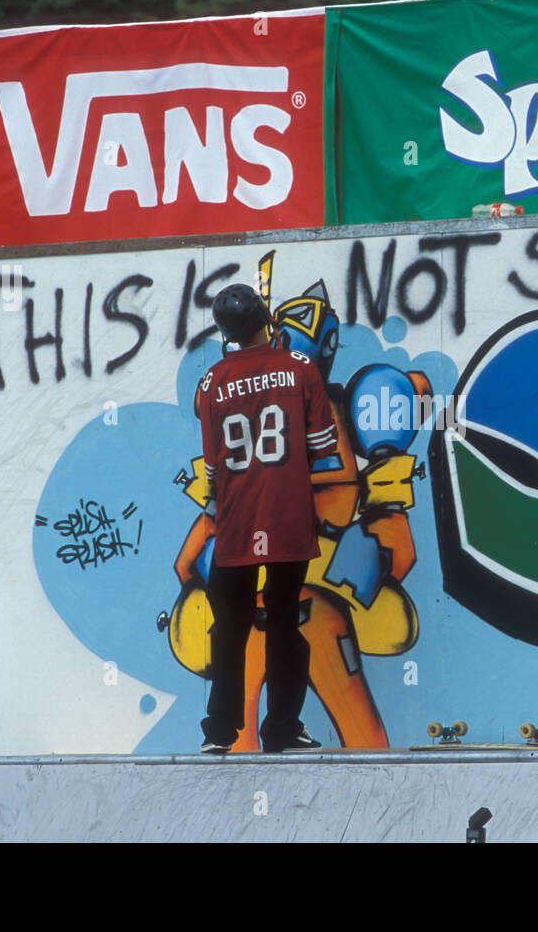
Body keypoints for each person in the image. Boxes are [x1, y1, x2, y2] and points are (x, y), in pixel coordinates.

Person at [195, 283, 338, 754]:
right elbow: (323, 447)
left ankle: (218, 733)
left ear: (225, 332)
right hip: (287, 517)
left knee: (229, 626)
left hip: (236, 522)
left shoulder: (212, 381)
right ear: (266, 319)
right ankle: (280, 729)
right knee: (282, 620)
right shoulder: (300, 368)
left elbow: (213, 467)